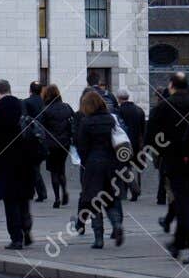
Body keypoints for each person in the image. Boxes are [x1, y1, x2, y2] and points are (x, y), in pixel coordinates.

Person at [148, 73, 189, 265]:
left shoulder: (163, 106)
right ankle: (177, 243)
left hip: (174, 161)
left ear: (171, 85)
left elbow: (151, 139)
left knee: (185, 206)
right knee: (188, 203)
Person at [0, 80, 35, 249]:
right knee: (23, 196)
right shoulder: (23, 106)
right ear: (9, 90)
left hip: (4, 160)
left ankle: (16, 237)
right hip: (25, 158)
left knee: (10, 200)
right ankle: (26, 229)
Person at [73, 91, 125, 248]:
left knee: (94, 201)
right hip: (111, 163)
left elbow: (81, 146)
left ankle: (98, 238)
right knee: (110, 198)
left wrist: (86, 160)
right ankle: (117, 225)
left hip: (93, 164)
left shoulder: (86, 122)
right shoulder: (111, 119)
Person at [38, 84, 75, 208]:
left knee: (54, 170)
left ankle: (57, 198)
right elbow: (73, 122)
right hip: (65, 142)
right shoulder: (67, 107)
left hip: (51, 143)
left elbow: (41, 127)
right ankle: (64, 190)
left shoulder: (46, 109)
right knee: (61, 169)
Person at [114, 88, 146, 202]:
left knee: (123, 168)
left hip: (124, 143)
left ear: (118, 98)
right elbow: (143, 130)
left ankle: (131, 190)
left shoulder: (119, 111)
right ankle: (130, 191)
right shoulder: (139, 110)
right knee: (128, 167)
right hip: (137, 143)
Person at [23, 81, 48, 202]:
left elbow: (24, 120)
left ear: (30, 90)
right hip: (44, 137)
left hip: (31, 138)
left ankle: (39, 191)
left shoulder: (26, 102)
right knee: (35, 166)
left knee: (32, 167)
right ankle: (35, 191)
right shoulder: (45, 102)